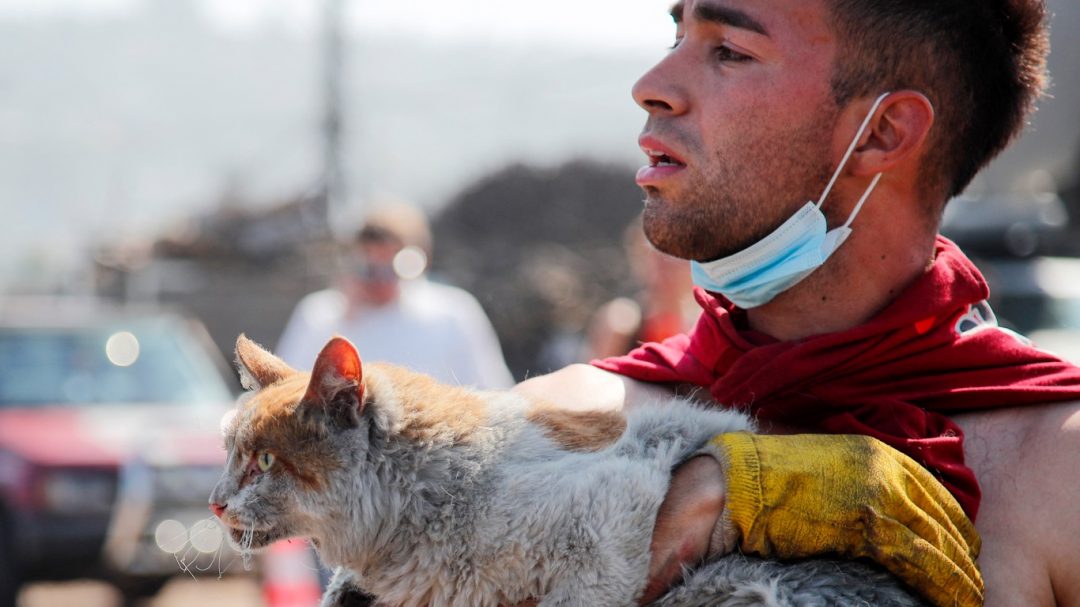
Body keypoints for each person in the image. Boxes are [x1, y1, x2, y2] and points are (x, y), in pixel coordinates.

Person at [515, 1, 1080, 606]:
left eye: (730, 50)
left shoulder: (1057, 469)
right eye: (676, 35)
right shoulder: (566, 423)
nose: (651, 87)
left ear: (882, 132)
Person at [277, 201, 514, 389]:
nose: (380, 280)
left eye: (392, 268)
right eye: (369, 268)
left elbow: (492, 392)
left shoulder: (453, 313)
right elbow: (282, 392)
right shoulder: (319, 315)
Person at [580, 214, 698, 360]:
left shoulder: (703, 326)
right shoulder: (623, 324)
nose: (667, 264)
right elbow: (594, 379)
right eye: (657, 255)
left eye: (677, 254)